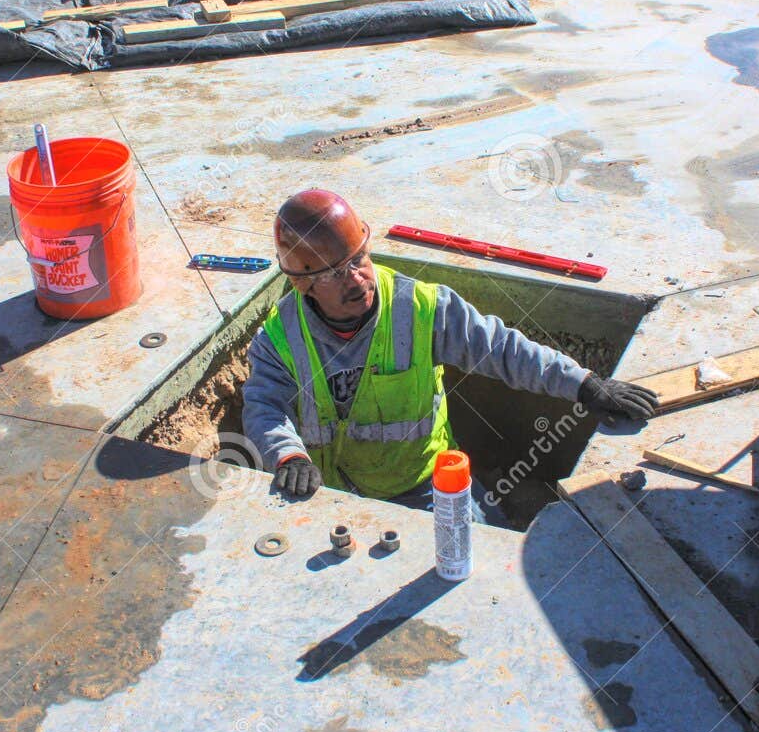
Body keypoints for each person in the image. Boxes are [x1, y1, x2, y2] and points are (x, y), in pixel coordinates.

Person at [241, 189, 658, 513]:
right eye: (335, 272)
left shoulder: (419, 307)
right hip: (335, 494)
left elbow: (502, 350)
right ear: (303, 282)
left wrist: (584, 385)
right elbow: (265, 405)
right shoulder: (281, 337)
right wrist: (287, 456)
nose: (357, 278)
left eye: (359, 258)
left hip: (426, 485)